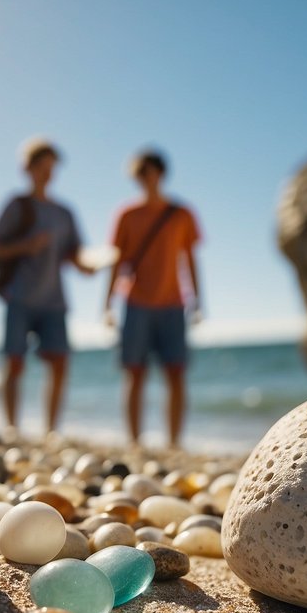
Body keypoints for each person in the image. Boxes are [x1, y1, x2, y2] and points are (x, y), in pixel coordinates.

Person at [0, 139, 93, 434]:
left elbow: (74, 253)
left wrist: (88, 265)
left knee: (59, 362)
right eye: (42, 167)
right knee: (15, 362)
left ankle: (51, 430)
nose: (47, 174)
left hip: (54, 299)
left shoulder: (64, 212)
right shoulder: (16, 205)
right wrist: (27, 245)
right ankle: (12, 427)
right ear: (29, 168)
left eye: (52, 168)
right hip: (20, 295)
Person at [104, 149, 202, 448]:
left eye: (149, 171)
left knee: (176, 373)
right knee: (135, 374)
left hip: (173, 304)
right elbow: (116, 261)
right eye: (140, 174)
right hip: (135, 303)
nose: (145, 179)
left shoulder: (182, 214)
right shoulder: (127, 214)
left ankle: (174, 443)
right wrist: (107, 304)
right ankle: (135, 442)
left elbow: (190, 258)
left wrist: (197, 300)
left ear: (160, 173)